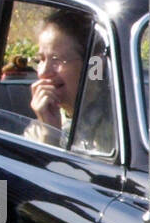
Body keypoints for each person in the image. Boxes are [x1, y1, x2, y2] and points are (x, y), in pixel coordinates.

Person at [23, 8, 113, 154]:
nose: (43, 72)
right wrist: (49, 133)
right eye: (40, 60)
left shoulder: (123, 124)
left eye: (57, 60)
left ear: (94, 66)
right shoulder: (39, 127)